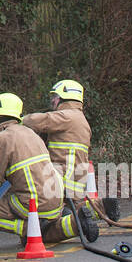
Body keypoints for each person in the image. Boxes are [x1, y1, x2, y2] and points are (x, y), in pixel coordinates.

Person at [0, 93, 97, 244]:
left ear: (1, 114)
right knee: (45, 231)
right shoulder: (31, 133)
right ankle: (75, 223)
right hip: (56, 200)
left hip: (33, 203)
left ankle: (27, 230)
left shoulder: (1, 138)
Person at [21, 79, 94, 208]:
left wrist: (17, 120)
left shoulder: (67, 116)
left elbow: (42, 120)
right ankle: (99, 209)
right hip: (74, 182)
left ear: (66, 98)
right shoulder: (80, 119)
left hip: (63, 179)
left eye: (55, 97)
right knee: (74, 218)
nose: (52, 100)